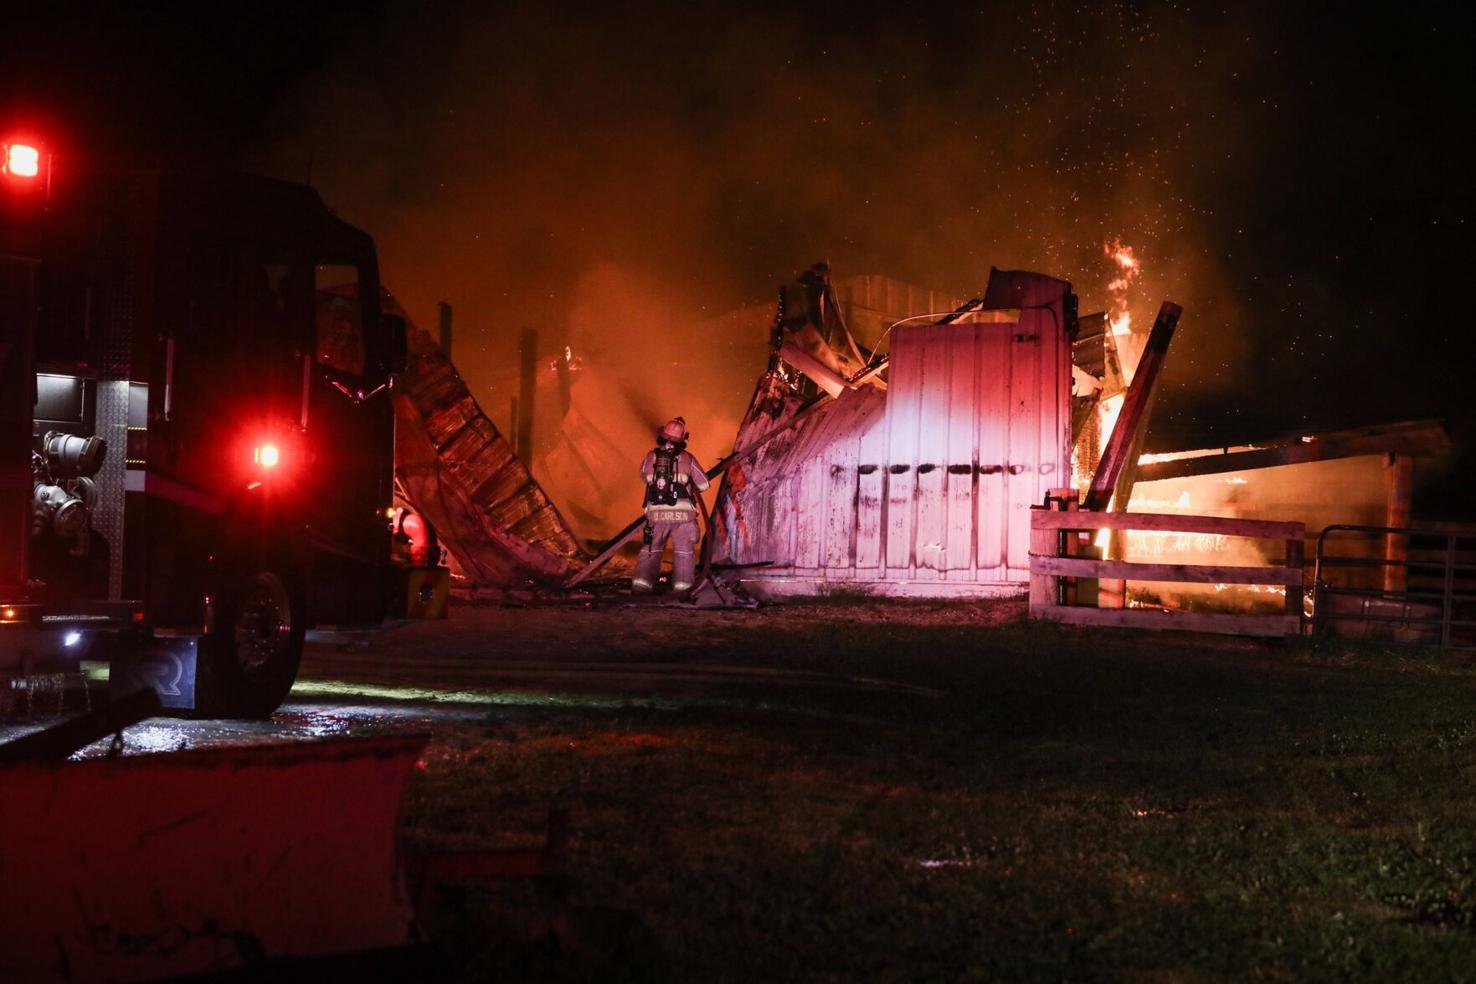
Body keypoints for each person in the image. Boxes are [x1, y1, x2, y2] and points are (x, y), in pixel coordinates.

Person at [632, 417, 709, 594]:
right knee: (683, 553)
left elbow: (644, 476)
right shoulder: (688, 459)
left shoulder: (650, 456)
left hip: (656, 515)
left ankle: (641, 587)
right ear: (682, 440)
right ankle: (682, 590)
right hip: (683, 518)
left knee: (651, 550)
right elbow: (704, 485)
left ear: (662, 436)